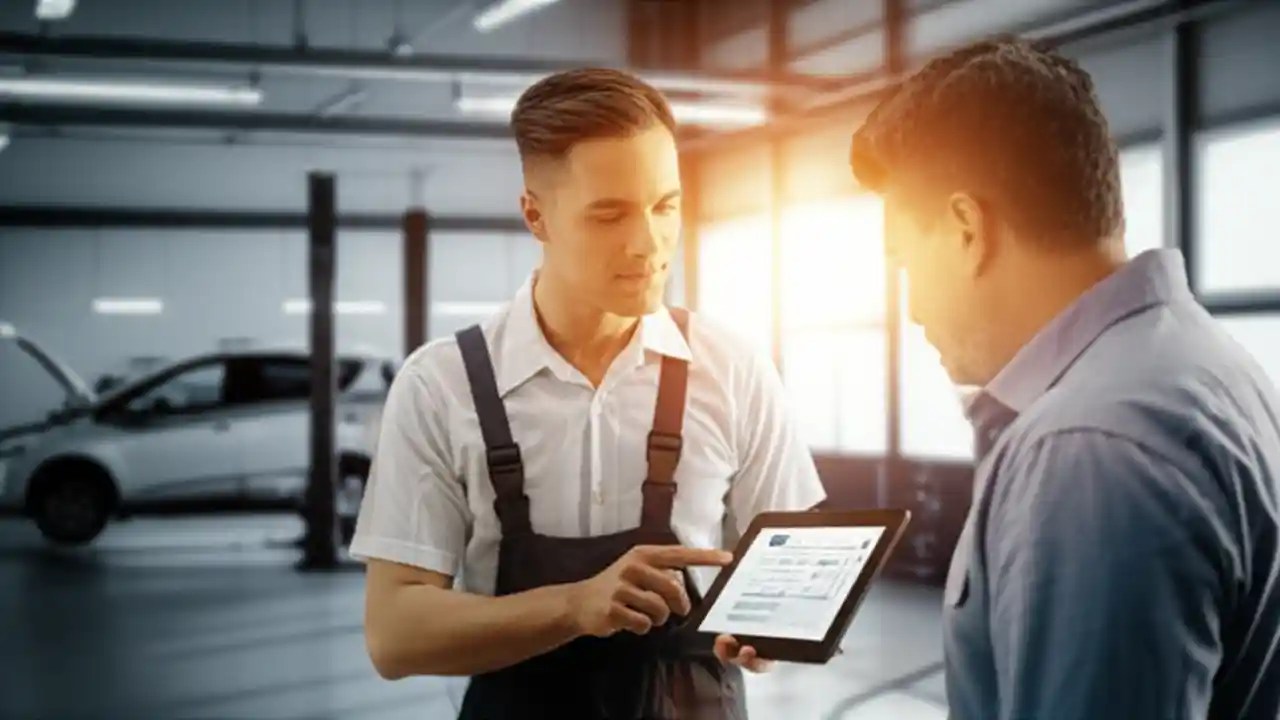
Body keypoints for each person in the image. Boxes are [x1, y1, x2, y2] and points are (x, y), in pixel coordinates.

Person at [351, 68, 826, 719]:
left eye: (666, 206)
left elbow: (798, 576)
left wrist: (777, 627)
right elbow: (394, 635)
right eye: (609, 214)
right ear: (535, 215)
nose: (649, 244)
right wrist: (575, 607)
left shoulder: (734, 370)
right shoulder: (440, 387)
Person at [850, 37, 1280, 720]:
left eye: (904, 259)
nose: (912, 306)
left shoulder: (1085, 447)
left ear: (966, 230)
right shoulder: (1205, 364)